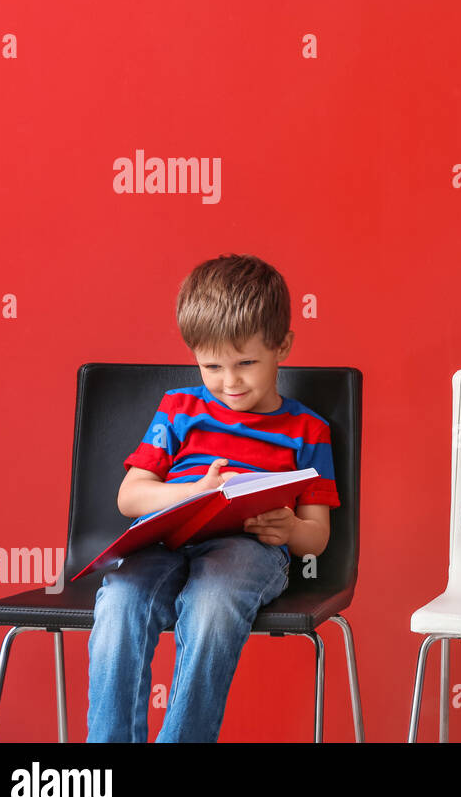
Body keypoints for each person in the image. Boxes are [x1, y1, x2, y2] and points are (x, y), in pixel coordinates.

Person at [86, 254, 340, 742]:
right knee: (118, 602)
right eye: (212, 366)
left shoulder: (309, 430)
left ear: (283, 346)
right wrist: (195, 493)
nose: (230, 382)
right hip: (164, 543)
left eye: (246, 363)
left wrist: (288, 530)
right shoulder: (179, 409)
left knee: (213, 606)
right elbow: (130, 496)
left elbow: (317, 537)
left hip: (247, 552)